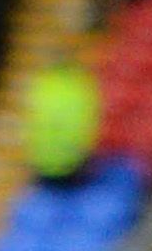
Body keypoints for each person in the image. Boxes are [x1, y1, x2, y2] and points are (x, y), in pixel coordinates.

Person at [25, 56, 100, 187]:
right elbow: (87, 122)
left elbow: (31, 121)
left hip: (43, 158)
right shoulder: (80, 86)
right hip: (72, 158)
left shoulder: (43, 85)